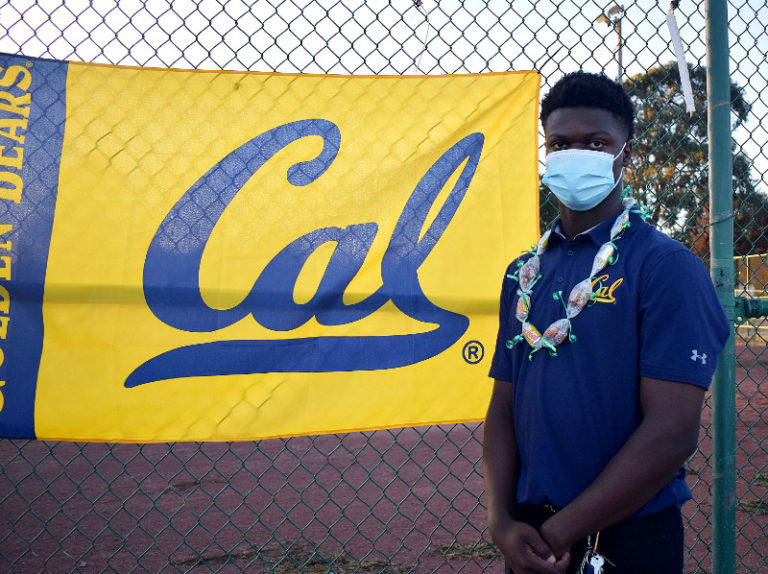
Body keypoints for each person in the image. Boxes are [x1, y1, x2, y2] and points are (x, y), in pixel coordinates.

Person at [483, 71, 730, 573]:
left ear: (626, 154)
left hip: (627, 537)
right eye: (560, 143)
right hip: (530, 532)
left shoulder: (663, 267)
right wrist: (500, 520)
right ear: (546, 155)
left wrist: (561, 533)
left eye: (597, 143)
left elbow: (673, 430)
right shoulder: (523, 272)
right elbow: (503, 408)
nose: (576, 154)